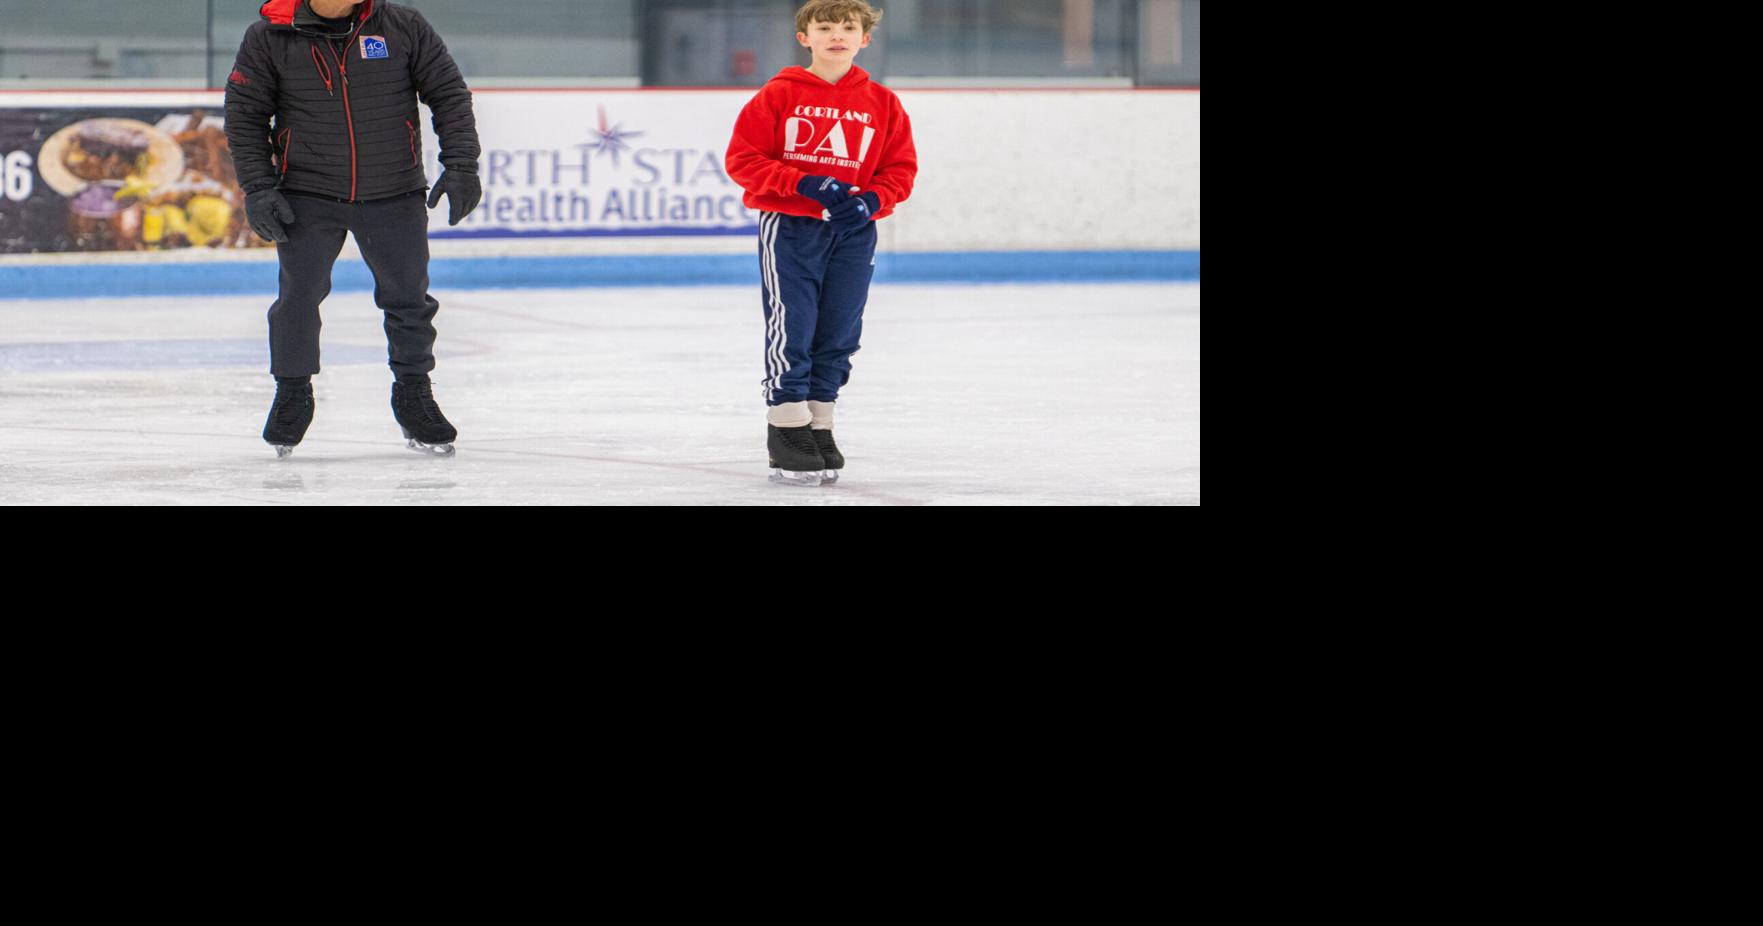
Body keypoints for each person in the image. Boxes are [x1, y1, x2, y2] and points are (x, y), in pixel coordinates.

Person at [225, 0, 482, 457]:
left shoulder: (401, 24)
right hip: (307, 194)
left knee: (408, 299)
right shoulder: (269, 37)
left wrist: (461, 165)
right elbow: (245, 116)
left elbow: (448, 92)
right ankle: (292, 392)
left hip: (394, 191)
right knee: (298, 299)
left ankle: (414, 394)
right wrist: (259, 187)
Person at [725, 0, 918, 485]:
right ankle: (787, 424)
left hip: (852, 232)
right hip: (792, 227)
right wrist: (804, 183)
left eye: (848, 28)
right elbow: (742, 160)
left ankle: (821, 422)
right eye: (825, 27)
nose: (837, 35)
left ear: (865, 39)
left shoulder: (884, 103)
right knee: (795, 324)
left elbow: (900, 170)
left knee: (839, 330)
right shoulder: (778, 94)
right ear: (804, 37)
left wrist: (870, 201)